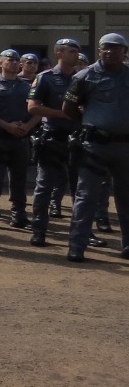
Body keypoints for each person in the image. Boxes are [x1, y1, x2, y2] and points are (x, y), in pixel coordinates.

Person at [62, 32, 129, 262]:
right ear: (99, 51)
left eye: (115, 48)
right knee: (86, 196)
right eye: (105, 48)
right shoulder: (85, 75)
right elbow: (68, 108)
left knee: (126, 197)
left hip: (125, 147)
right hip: (94, 146)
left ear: (124, 51)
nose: (110, 51)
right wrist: (90, 125)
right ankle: (77, 246)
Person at [27, 38, 82, 247]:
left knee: (80, 189)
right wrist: (64, 114)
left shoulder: (82, 78)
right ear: (59, 54)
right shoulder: (45, 78)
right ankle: (39, 231)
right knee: (44, 187)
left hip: (77, 139)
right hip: (52, 139)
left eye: (77, 51)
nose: (75, 54)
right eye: (71, 51)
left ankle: (80, 233)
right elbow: (32, 108)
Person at [0, 50, 40, 231]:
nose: (13, 63)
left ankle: (19, 215)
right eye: (9, 60)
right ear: (0, 63)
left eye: (16, 60)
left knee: (19, 180)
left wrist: (28, 127)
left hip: (21, 140)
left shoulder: (27, 87)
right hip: (0, 139)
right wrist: (7, 126)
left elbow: (38, 109)